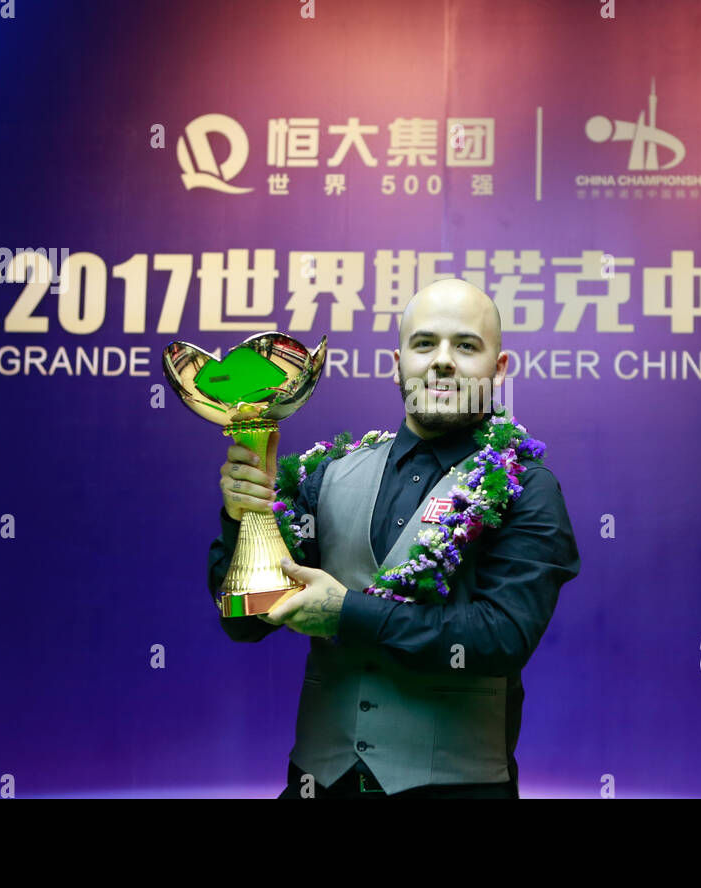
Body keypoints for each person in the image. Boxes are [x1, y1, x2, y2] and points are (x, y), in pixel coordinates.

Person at [207, 278, 581, 798]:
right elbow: (246, 623)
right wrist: (246, 513)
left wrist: (345, 614)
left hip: (457, 790)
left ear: (499, 370)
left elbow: (503, 637)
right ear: (397, 363)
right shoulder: (327, 475)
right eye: (424, 343)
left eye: (466, 345)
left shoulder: (526, 488)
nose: (442, 361)